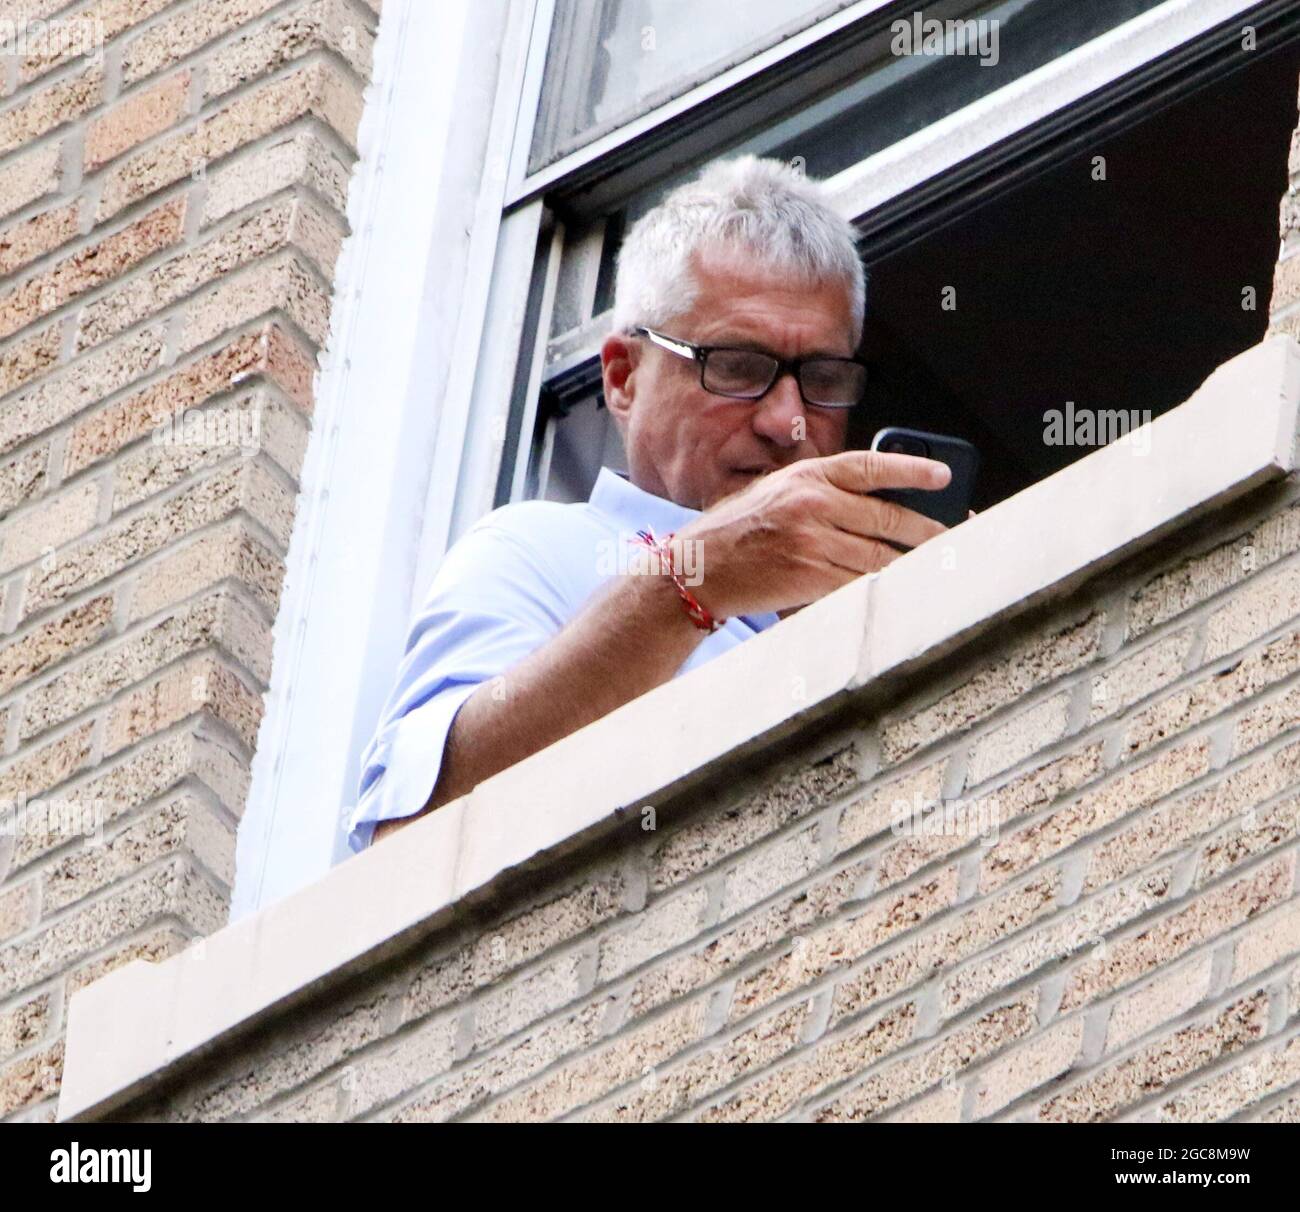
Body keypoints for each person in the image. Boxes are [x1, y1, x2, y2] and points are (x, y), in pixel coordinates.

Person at [346, 155, 951, 852]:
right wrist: (692, 581)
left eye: (821, 377)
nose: (787, 421)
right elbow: (409, 839)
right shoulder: (535, 551)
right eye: (737, 367)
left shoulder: (884, 593)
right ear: (623, 377)